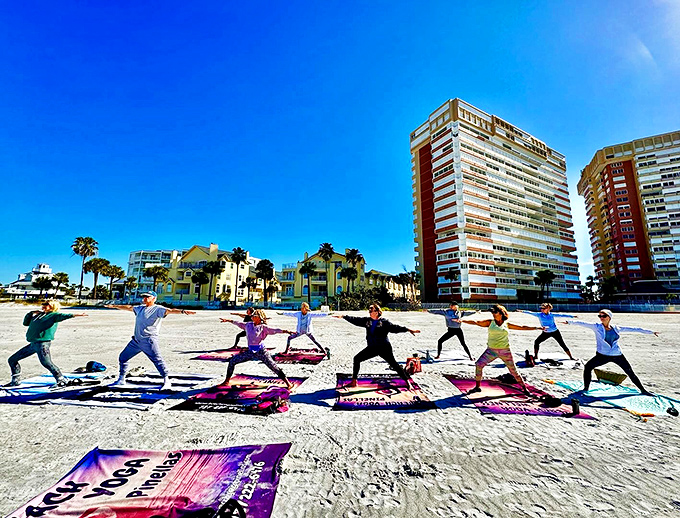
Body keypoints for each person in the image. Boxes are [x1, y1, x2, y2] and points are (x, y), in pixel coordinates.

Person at [105, 291, 195, 390]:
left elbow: (170, 310)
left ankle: (167, 381)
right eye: (144, 297)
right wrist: (114, 306)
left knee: (157, 360)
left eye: (148, 297)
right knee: (123, 357)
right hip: (136, 341)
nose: (145, 298)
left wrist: (182, 311)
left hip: (149, 341)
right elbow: (129, 307)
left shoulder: (158, 309)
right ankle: (121, 379)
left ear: (154, 298)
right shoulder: (140, 308)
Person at [563, 309, 658, 395]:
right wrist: (569, 322)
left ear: (609, 317)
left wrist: (651, 332)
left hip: (617, 355)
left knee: (630, 372)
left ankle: (643, 390)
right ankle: (586, 388)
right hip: (602, 356)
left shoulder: (616, 328)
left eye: (604, 316)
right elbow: (582, 323)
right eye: (600, 316)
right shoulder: (597, 327)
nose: (601, 318)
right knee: (588, 367)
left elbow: (635, 329)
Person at [333, 304, 420, 389]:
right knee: (357, 359)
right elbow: (356, 320)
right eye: (369, 310)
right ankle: (354, 381)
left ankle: (408, 382)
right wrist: (344, 316)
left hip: (384, 348)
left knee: (394, 365)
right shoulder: (367, 321)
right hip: (372, 348)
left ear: (378, 312)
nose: (370, 312)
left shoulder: (384, 322)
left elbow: (395, 328)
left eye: (372, 310)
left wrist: (408, 330)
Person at [462, 304, 543, 395]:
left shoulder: (506, 324)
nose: (493, 314)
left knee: (513, 371)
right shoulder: (490, 322)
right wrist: (462, 320)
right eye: (492, 312)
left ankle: (524, 388)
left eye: (495, 312)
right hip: (491, 350)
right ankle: (477, 387)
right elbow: (476, 322)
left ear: (501, 313)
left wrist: (537, 328)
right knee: (479, 364)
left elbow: (522, 327)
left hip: (505, 351)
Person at [5, 300, 87, 387]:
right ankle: (15, 381)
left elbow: (64, 316)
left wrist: (77, 315)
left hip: (42, 344)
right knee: (12, 360)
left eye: (46, 304)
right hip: (33, 344)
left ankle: (61, 380)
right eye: (43, 304)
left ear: (52, 306)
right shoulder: (38, 315)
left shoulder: (54, 315)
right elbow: (25, 323)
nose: (43, 305)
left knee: (47, 363)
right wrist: (30, 313)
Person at [220, 309, 295, 389]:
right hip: (250, 351)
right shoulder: (248, 325)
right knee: (232, 361)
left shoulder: (263, 327)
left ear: (259, 318)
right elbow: (238, 323)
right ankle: (226, 381)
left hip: (261, 351)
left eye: (254, 315)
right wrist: (228, 320)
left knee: (274, 367)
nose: (252, 316)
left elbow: (275, 330)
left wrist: (286, 331)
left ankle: (288, 384)